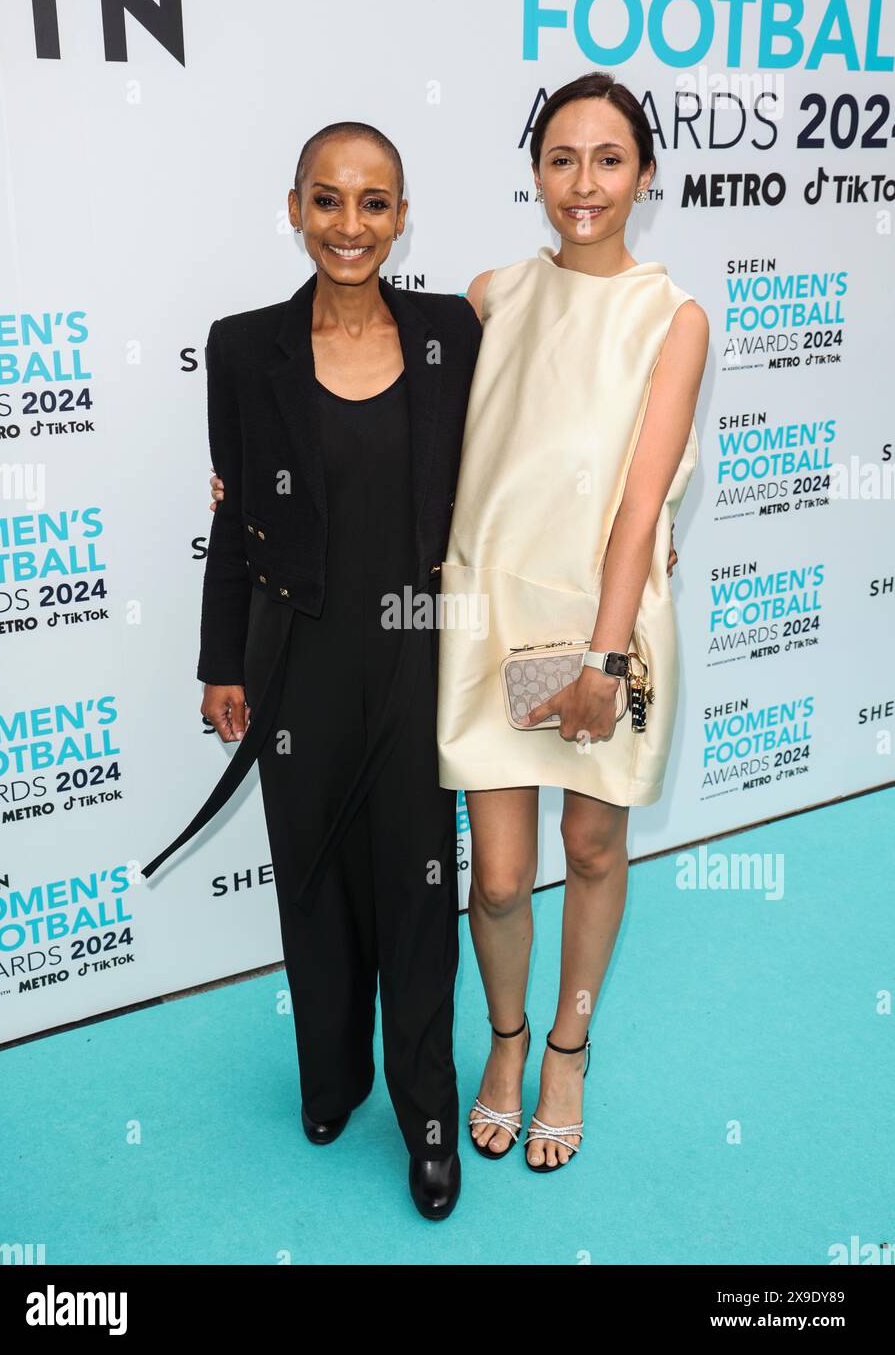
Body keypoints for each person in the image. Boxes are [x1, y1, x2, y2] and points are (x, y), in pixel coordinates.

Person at [141, 122, 482, 1220]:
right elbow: (235, 517)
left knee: (421, 895)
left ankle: (428, 1119)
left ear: (402, 215)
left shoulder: (448, 334)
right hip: (298, 661)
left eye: (374, 202)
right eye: (327, 200)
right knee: (316, 883)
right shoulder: (244, 350)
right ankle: (329, 1079)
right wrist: (218, 658)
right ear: (293, 209)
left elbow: (530, 455)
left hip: (422, 654)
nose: (350, 225)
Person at [436, 73, 709, 1172]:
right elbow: (393, 420)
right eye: (561, 159)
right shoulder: (490, 294)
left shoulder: (671, 316)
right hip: (490, 612)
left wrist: (604, 657)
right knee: (496, 877)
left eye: (607, 159)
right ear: (535, 172)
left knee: (591, 845)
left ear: (645, 173)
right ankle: (502, 1040)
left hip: (607, 622)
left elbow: (643, 503)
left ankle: (565, 1046)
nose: (582, 183)